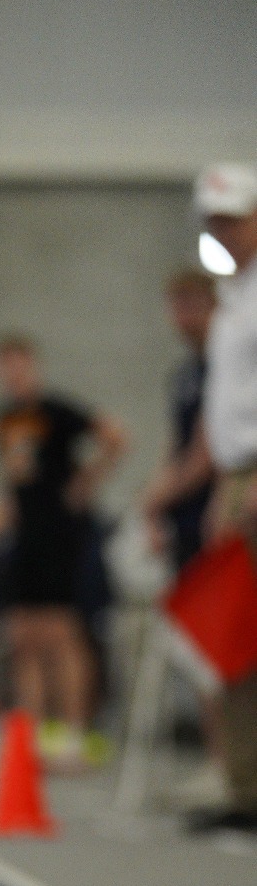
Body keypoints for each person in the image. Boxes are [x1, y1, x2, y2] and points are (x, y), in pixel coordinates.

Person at [0, 335, 127, 770]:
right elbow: (13, 475)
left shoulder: (58, 411)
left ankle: (72, 731)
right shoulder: (0, 417)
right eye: (4, 365)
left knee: (61, 632)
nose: (13, 373)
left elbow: (115, 436)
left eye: (19, 364)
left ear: (33, 365)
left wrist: (87, 481)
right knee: (22, 633)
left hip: (60, 534)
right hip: (24, 537)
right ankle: (32, 733)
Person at [190, 163, 257, 830]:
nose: (224, 231)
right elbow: (226, 409)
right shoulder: (233, 296)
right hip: (235, 477)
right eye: (214, 220)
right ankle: (243, 787)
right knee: (235, 637)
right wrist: (223, 487)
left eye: (234, 218)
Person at [142, 269, 217, 578]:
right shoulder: (184, 375)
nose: (182, 316)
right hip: (184, 518)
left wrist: (153, 503)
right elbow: (176, 445)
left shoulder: (227, 368)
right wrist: (153, 499)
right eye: (176, 306)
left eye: (190, 304)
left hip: (215, 512)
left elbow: (206, 454)